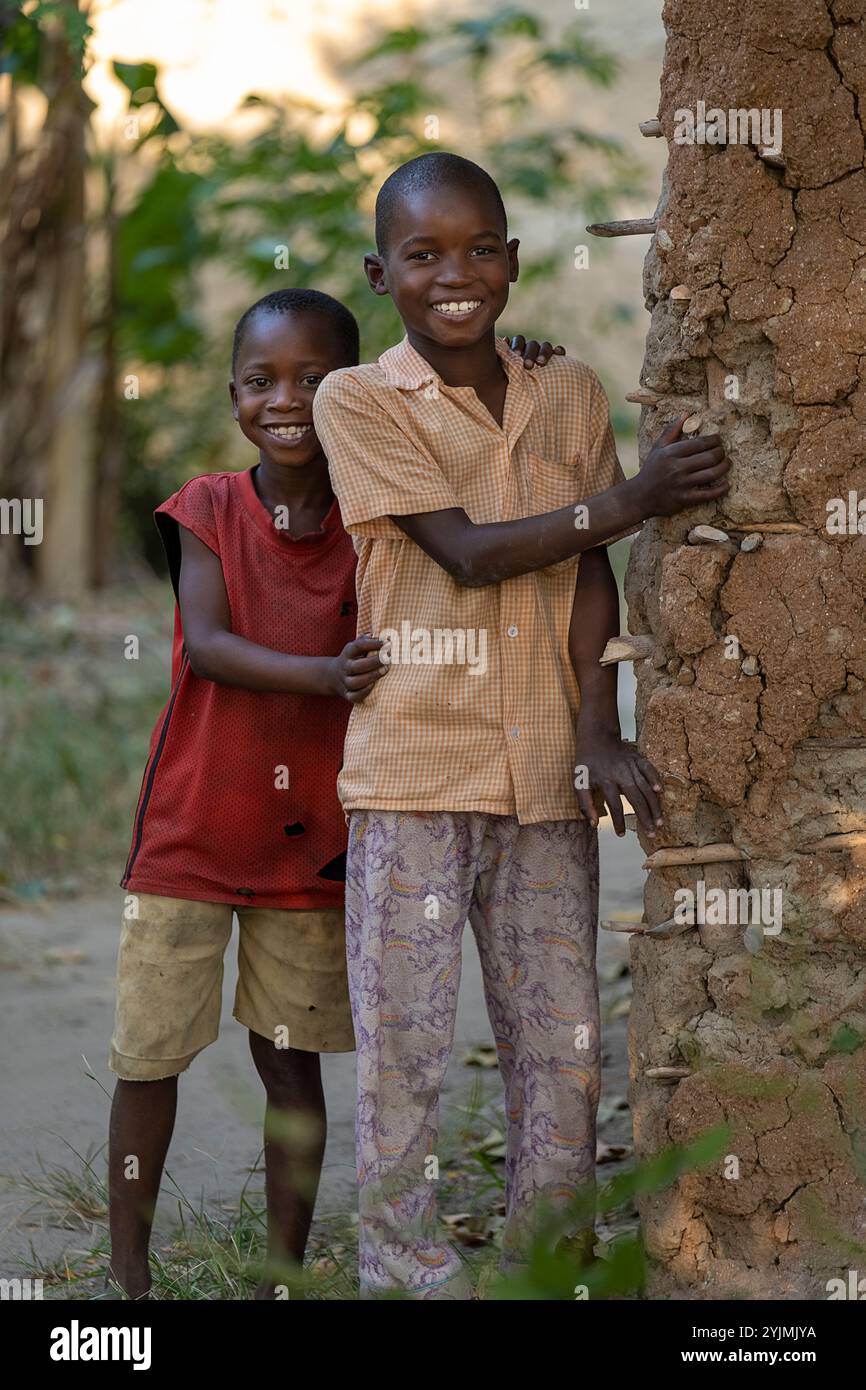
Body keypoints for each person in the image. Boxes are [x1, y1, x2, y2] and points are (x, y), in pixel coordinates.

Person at [312, 151, 731, 1298]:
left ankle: (544, 1258)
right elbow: (467, 555)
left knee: (560, 1044)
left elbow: (586, 562)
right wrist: (634, 496)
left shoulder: (570, 391)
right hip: (415, 764)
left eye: (479, 247)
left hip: (547, 762)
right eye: (423, 254)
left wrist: (596, 725)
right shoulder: (354, 399)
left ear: (512, 258)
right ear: (378, 273)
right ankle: (405, 1267)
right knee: (402, 1044)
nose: (456, 274)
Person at [107, 283, 565, 1300]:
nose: (285, 399)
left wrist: (500, 367)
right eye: (261, 380)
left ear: (354, 390)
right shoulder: (207, 507)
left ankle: (282, 1274)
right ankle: (126, 1277)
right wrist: (323, 675)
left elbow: (481, 501)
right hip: (189, 833)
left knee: (290, 1060)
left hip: (316, 839)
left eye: (314, 380)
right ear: (231, 394)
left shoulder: (377, 514)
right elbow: (214, 647)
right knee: (149, 1055)